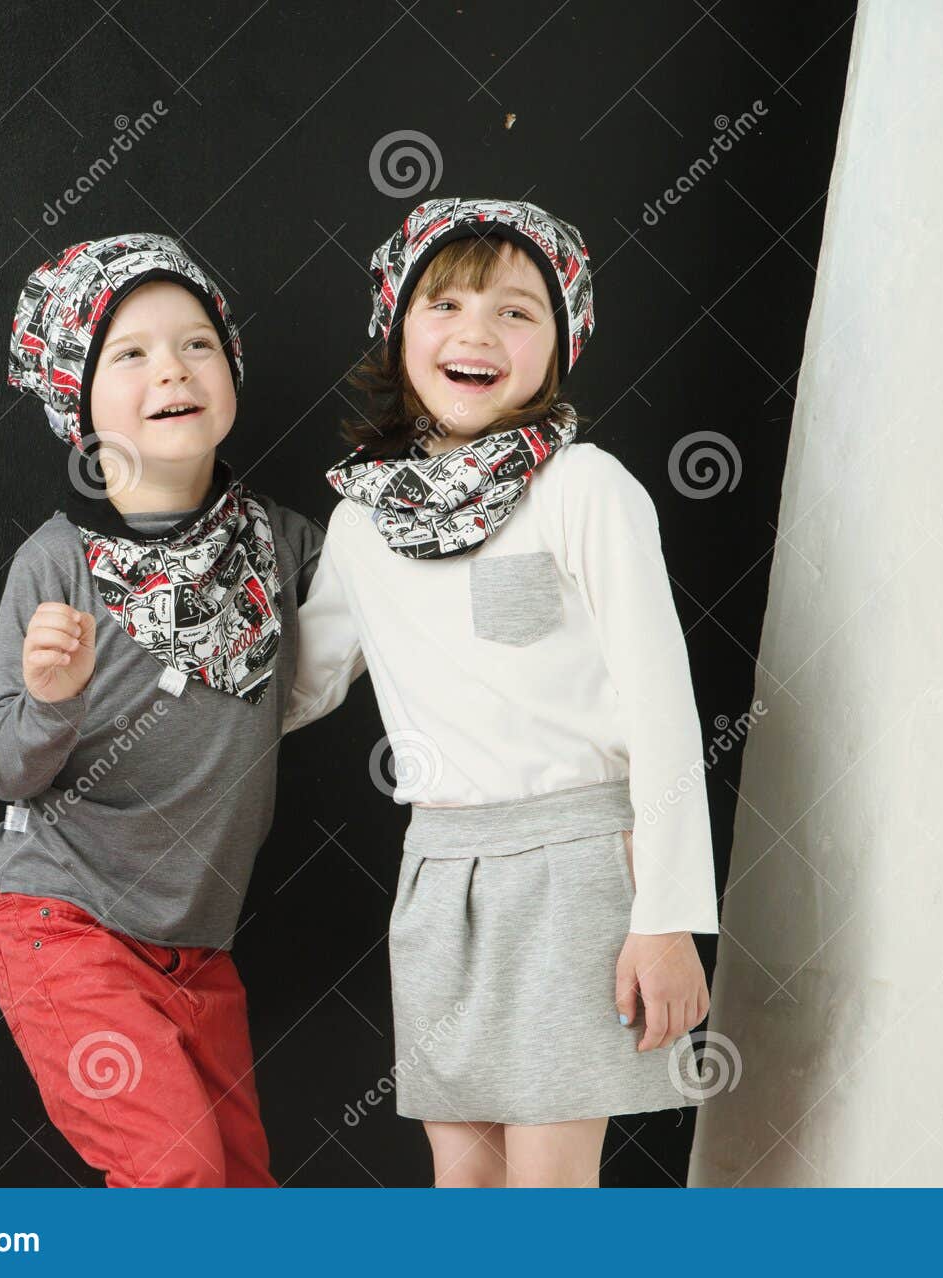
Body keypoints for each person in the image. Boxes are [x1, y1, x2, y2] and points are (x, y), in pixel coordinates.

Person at [285, 198, 720, 1187]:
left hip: (576, 863)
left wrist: (669, 915)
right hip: (439, 871)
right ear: (397, 330)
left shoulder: (583, 487)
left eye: (517, 311)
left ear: (559, 346)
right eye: (445, 303)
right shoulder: (362, 523)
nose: (477, 331)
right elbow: (296, 688)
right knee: (463, 1180)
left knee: (548, 1185)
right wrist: (154, 675)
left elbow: (663, 712)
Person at [0, 232, 323, 1187]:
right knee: (181, 1183)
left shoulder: (284, 546)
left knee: (242, 1196)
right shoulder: (59, 562)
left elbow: (385, 626)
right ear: (75, 403)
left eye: (197, 342)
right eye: (129, 352)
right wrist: (48, 704)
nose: (172, 367)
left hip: (200, 950)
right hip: (65, 924)